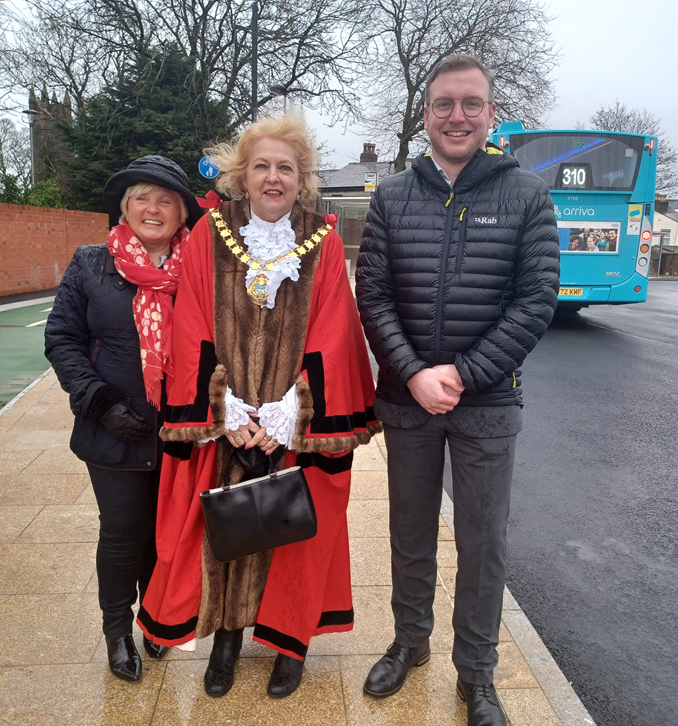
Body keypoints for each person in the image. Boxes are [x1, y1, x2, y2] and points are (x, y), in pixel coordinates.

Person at [136, 114, 380, 700]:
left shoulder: (323, 239)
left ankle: (290, 646)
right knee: (228, 530)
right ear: (242, 175)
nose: (274, 178)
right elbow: (191, 321)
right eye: (263, 167)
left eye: (286, 169)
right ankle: (224, 638)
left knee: (294, 533)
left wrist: (287, 413)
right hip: (231, 421)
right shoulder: (208, 234)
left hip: (292, 422)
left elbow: (334, 333)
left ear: (303, 179)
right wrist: (228, 410)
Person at [355, 54, 560, 726]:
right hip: (408, 400)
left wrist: (464, 374)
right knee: (409, 531)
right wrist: (414, 373)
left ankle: (477, 675)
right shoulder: (390, 196)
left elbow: (535, 302)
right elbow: (374, 295)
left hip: (488, 403)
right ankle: (410, 642)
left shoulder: (527, 195)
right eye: (445, 104)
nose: (458, 116)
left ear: (491, 114)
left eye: (472, 104)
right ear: (427, 114)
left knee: (482, 544)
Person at [44, 155, 203, 682]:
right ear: (124, 206)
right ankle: (118, 630)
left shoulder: (201, 265)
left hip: (180, 428)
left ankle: (157, 620)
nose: (152, 208)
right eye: (141, 197)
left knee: (164, 534)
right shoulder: (91, 263)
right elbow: (61, 339)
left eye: (165, 200)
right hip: (112, 428)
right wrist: (100, 402)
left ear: (183, 213)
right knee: (121, 533)